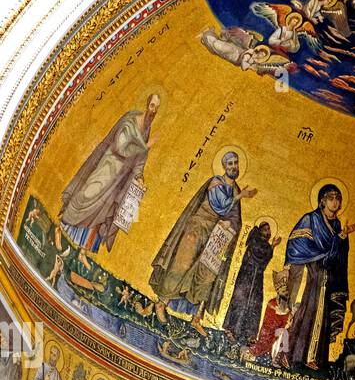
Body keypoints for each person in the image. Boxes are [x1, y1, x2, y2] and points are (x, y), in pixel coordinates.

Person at [149, 150, 257, 335]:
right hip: (197, 229)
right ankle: (161, 303)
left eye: (236, 163)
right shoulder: (216, 182)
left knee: (206, 275)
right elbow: (219, 204)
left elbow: (234, 217)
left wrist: (229, 225)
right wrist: (240, 196)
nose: (233, 167)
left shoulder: (236, 189)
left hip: (215, 235)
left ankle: (196, 318)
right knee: (181, 265)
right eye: (230, 163)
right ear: (224, 166)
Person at [58, 95, 160, 254]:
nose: (153, 111)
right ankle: (62, 224)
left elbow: (139, 159)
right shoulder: (130, 121)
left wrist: (139, 176)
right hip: (109, 166)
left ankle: (83, 248)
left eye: (156, 108)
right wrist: (145, 146)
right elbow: (120, 148)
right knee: (87, 194)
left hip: (120, 178)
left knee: (104, 211)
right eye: (152, 105)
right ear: (147, 104)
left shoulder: (146, 130)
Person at [280, 184, 355, 372]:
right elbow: (296, 245)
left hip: (329, 277)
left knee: (321, 317)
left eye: (338, 198)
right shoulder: (311, 219)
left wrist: (343, 238)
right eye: (331, 197)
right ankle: (288, 354)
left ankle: (312, 357)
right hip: (314, 274)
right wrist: (338, 240)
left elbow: (337, 254)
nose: (335, 202)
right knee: (307, 312)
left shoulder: (337, 224)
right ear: (322, 200)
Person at [222, 222, 281, 346]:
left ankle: (249, 334)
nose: (268, 232)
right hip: (246, 278)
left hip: (256, 281)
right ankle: (232, 329)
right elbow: (259, 256)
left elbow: (263, 264)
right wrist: (272, 247)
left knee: (255, 304)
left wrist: (271, 247)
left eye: (269, 230)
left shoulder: (264, 245)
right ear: (260, 231)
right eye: (265, 229)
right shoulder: (255, 241)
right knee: (241, 301)